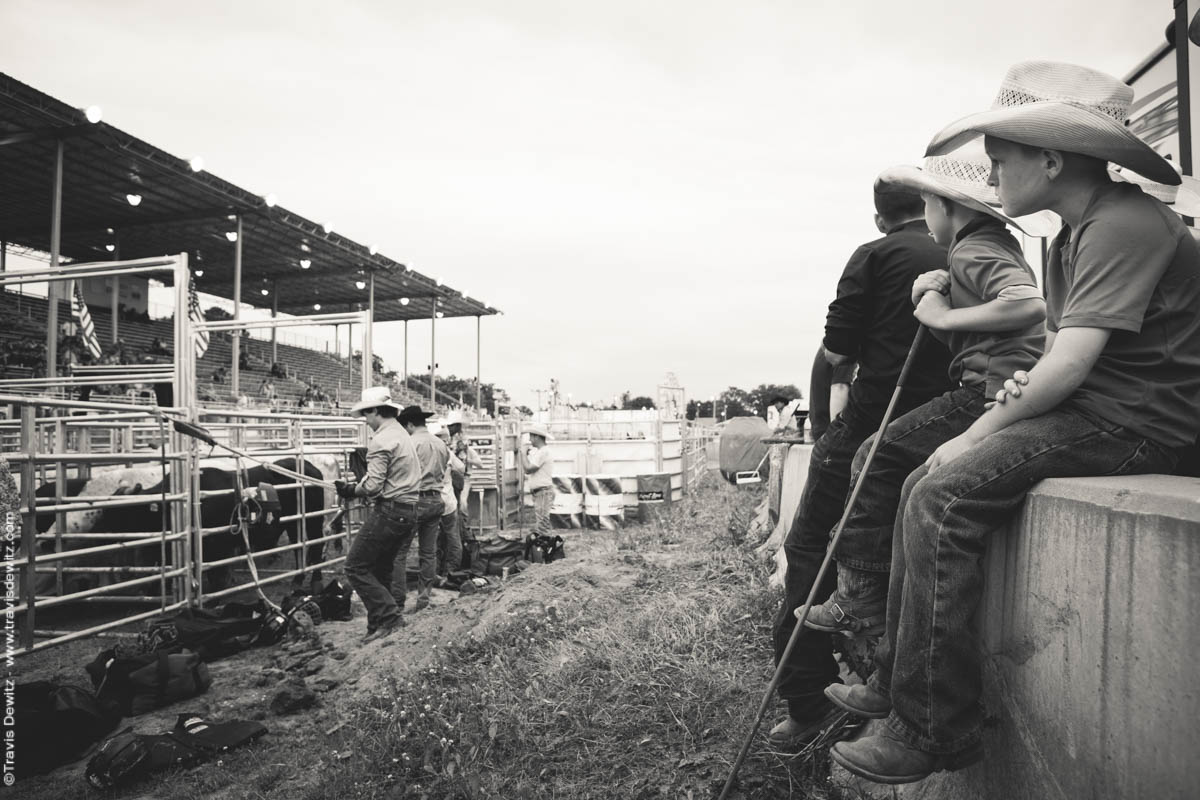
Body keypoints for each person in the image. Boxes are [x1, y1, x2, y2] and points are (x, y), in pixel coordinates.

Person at [826, 61, 1200, 783]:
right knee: (919, 480)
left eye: (1000, 161)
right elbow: (1059, 353)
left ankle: (932, 726)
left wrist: (975, 433)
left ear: (1051, 161)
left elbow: (1070, 364)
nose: (992, 178)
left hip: (1135, 422)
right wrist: (1017, 396)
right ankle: (899, 681)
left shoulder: (1123, 222)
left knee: (942, 492)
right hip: (1096, 409)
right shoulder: (1071, 235)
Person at [804, 140, 1047, 640]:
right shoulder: (987, 246)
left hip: (987, 389)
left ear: (947, 206)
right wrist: (941, 290)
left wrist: (942, 314)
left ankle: (859, 595)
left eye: (929, 203)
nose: (925, 214)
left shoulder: (976, 248)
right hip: (994, 380)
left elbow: (1027, 303)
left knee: (875, 455)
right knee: (898, 468)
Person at [767, 177, 955, 749]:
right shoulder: (968, 251)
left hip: (873, 423)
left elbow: (836, 351)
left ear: (880, 218)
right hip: (945, 425)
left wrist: (827, 425)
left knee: (809, 554)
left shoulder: (874, 254)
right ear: (931, 208)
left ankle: (807, 704)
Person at [334, 386, 422, 643]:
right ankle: (378, 625)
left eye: (366, 414)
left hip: (390, 511)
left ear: (375, 411)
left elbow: (372, 486)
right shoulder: (401, 434)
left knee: (355, 566)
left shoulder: (381, 441)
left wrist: (352, 490)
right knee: (381, 569)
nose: (365, 420)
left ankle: (390, 618)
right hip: (408, 510)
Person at [391, 405, 447, 612]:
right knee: (428, 552)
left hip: (415, 499)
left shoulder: (410, 444)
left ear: (409, 425)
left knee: (399, 552)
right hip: (436, 498)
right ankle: (424, 598)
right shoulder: (441, 444)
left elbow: (401, 474)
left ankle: (398, 600)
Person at [431, 422, 465, 580]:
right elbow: (461, 468)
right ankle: (451, 572)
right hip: (448, 500)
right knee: (453, 537)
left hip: (431, 500)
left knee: (431, 539)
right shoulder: (447, 452)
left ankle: (433, 572)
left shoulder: (426, 450)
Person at [445, 410, 483, 537]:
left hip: (462, 476)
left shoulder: (462, 442)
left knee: (461, 503)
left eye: (452, 425)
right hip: (451, 475)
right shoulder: (449, 440)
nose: (450, 428)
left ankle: (464, 530)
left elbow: (462, 461)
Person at [808, 345, 857, 443]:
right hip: (830, 431)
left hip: (822, 428)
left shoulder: (830, 344)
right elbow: (839, 388)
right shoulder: (846, 344)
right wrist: (837, 437)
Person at [518, 425, 554, 537]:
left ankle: (546, 545)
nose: (529, 440)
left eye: (531, 436)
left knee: (542, 523)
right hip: (541, 492)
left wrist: (523, 454)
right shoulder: (541, 452)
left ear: (537, 437)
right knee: (542, 522)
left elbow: (528, 469)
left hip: (542, 492)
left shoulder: (543, 452)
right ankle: (545, 544)